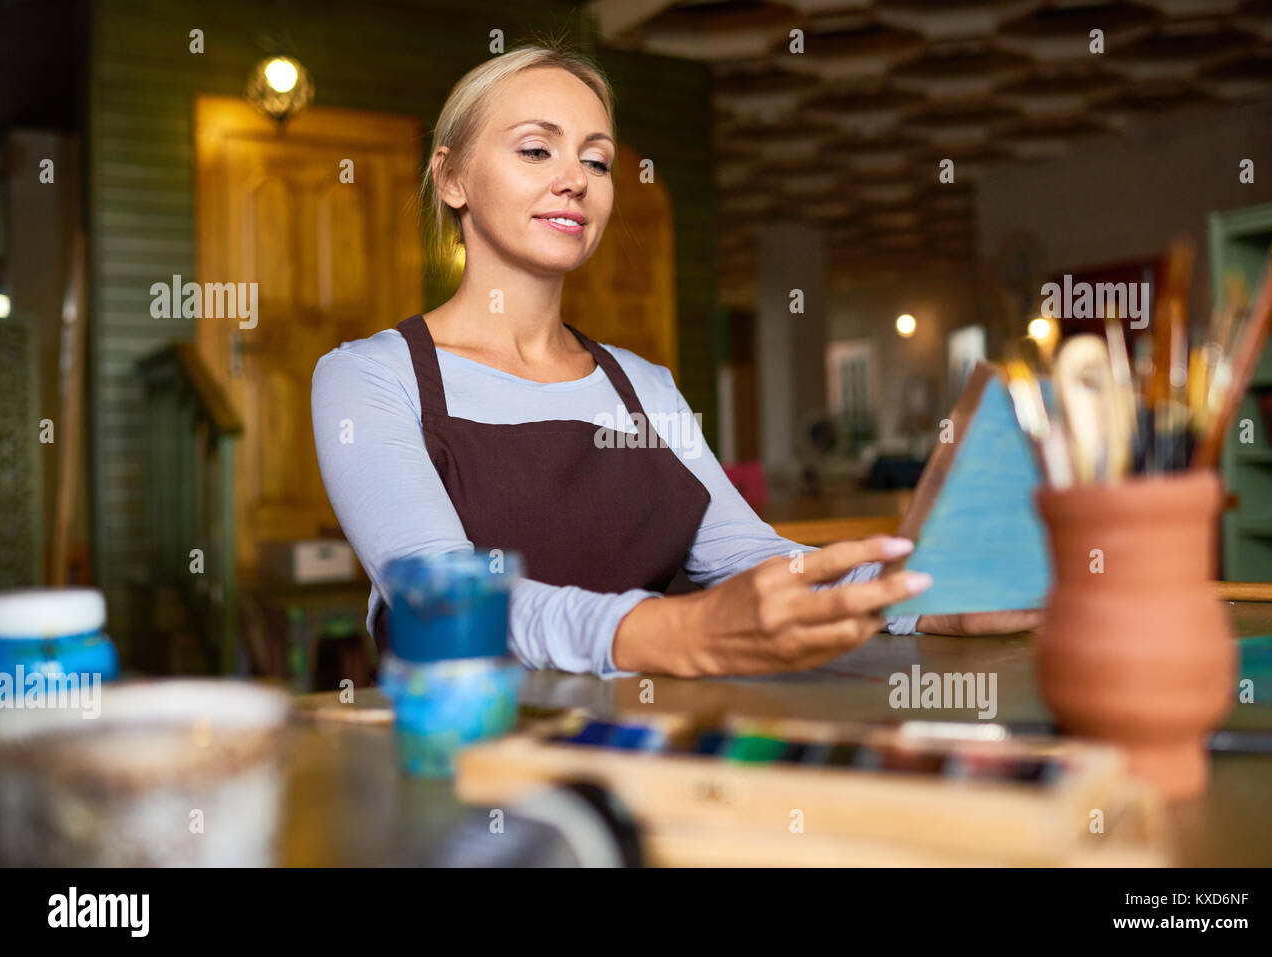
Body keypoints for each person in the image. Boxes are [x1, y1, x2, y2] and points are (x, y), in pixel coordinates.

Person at [311, 42, 1038, 679]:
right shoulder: (369, 377)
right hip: (466, 764)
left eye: (596, 159)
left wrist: (927, 598)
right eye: (537, 149)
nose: (575, 179)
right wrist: (679, 631)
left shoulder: (643, 386)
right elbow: (444, 602)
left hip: (645, 746)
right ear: (452, 179)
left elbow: (751, 559)